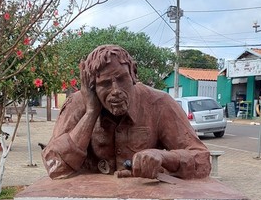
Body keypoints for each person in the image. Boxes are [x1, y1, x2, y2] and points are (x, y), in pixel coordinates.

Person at [43, 45, 211, 180]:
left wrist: (163, 157)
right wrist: (91, 113)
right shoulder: (77, 104)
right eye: (105, 84)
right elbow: (55, 167)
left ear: (133, 75)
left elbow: (202, 161)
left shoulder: (160, 104)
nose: (116, 90)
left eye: (122, 79)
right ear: (92, 87)